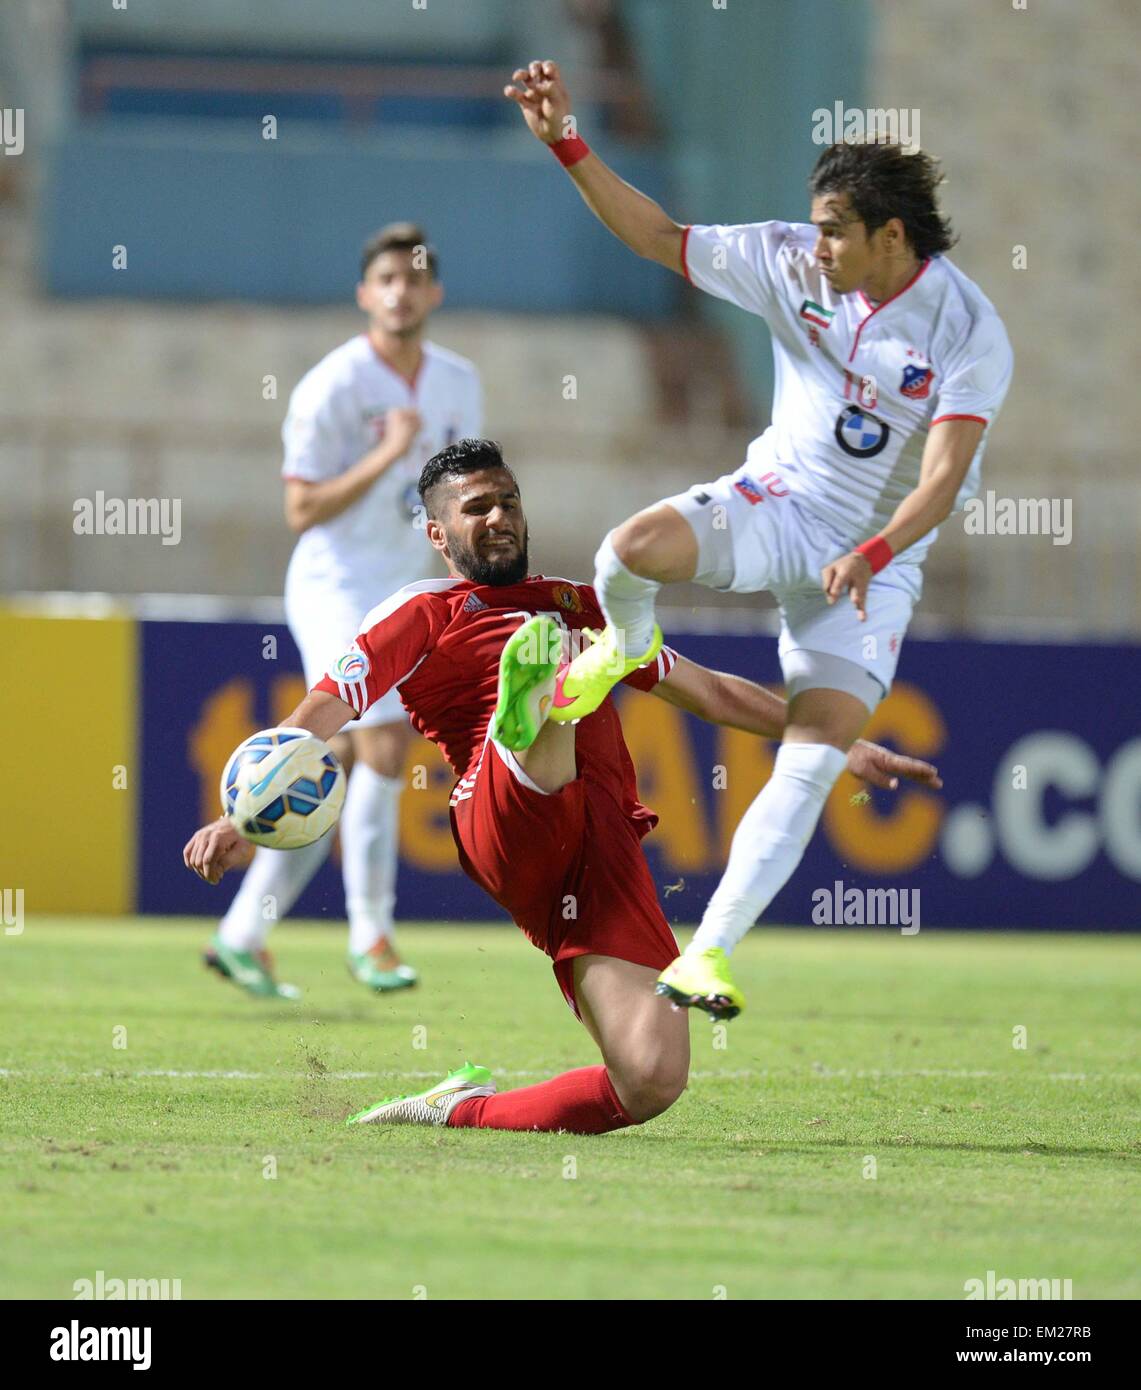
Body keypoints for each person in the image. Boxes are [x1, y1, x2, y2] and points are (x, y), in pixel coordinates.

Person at [185, 440, 942, 1133]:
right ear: (437, 534)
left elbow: (707, 691)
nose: (497, 516)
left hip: (600, 848)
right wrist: (239, 815)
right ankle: (541, 692)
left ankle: (453, 1112)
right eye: (474, 507)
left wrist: (835, 742)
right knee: (549, 669)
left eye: (507, 501)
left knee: (648, 1080)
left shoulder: (585, 601)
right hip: (501, 809)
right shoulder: (421, 612)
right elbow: (328, 708)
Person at [506, 60, 1011, 1018]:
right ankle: (628, 642)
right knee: (625, 553)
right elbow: (656, 237)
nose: (814, 244)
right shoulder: (786, 260)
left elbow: (942, 481)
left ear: (888, 237)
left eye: (834, 232)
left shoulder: (967, 332)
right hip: (777, 500)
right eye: (814, 226)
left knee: (815, 751)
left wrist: (869, 554)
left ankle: (709, 954)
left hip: (878, 559)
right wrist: (568, 145)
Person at [206, 223, 483, 1000]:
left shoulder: (459, 383)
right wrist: (385, 455)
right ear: (366, 294)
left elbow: (457, 497)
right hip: (334, 584)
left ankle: (242, 934)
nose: (400, 291)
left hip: (401, 591)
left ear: (434, 293)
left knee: (327, 767)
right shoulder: (332, 385)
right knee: (385, 743)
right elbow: (300, 508)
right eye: (385, 279)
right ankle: (372, 937)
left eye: (414, 278)